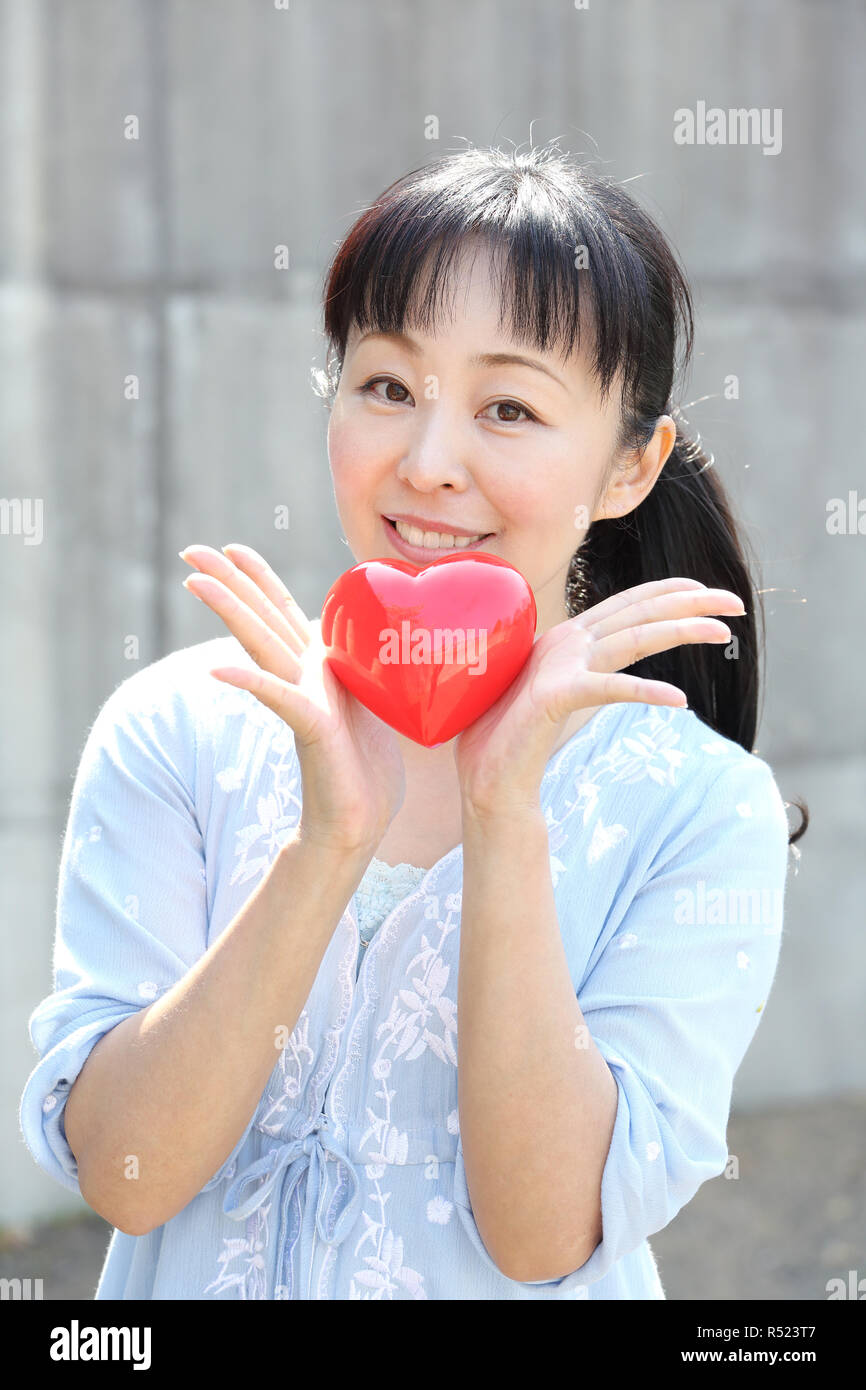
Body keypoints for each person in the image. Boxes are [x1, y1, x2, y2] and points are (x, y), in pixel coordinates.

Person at [19, 141, 808, 1300]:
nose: (428, 462)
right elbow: (127, 1177)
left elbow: (541, 1234)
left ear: (630, 466)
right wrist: (324, 845)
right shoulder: (181, 728)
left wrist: (502, 813)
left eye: (508, 406)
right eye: (386, 386)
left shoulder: (698, 807)